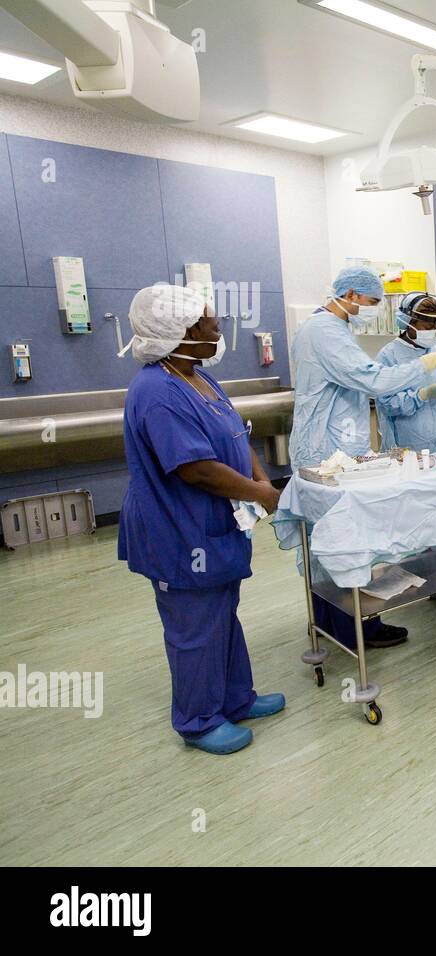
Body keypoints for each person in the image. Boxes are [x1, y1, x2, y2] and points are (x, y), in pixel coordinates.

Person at [118, 284, 285, 755]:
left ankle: (234, 698)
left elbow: (235, 432)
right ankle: (197, 721)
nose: (218, 326)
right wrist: (261, 495)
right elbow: (196, 469)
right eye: (210, 320)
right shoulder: (158, 391)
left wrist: (260, 480)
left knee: (222, 616)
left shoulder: (197, 376)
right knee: (194, 628)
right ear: (183, 330)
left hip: (214, 527)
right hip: (178, 530)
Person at [290, 267, 436, 649]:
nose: (371, 309)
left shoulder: (330, 330)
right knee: (337, 539)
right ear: (350, 294)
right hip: (325, 449)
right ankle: (346, 625)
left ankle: (339, 620)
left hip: (334, 444)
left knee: (339, 538)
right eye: (370, 302)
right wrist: (427, 365)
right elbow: (373, 381)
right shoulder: (323, 332)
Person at [376, 292, 436, 453]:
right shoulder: (388, 357)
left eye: (435, 327)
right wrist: (422, 395)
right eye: (427, 328)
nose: (432, 332)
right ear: (407, 323)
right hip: (410, 451)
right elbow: (387, 405)